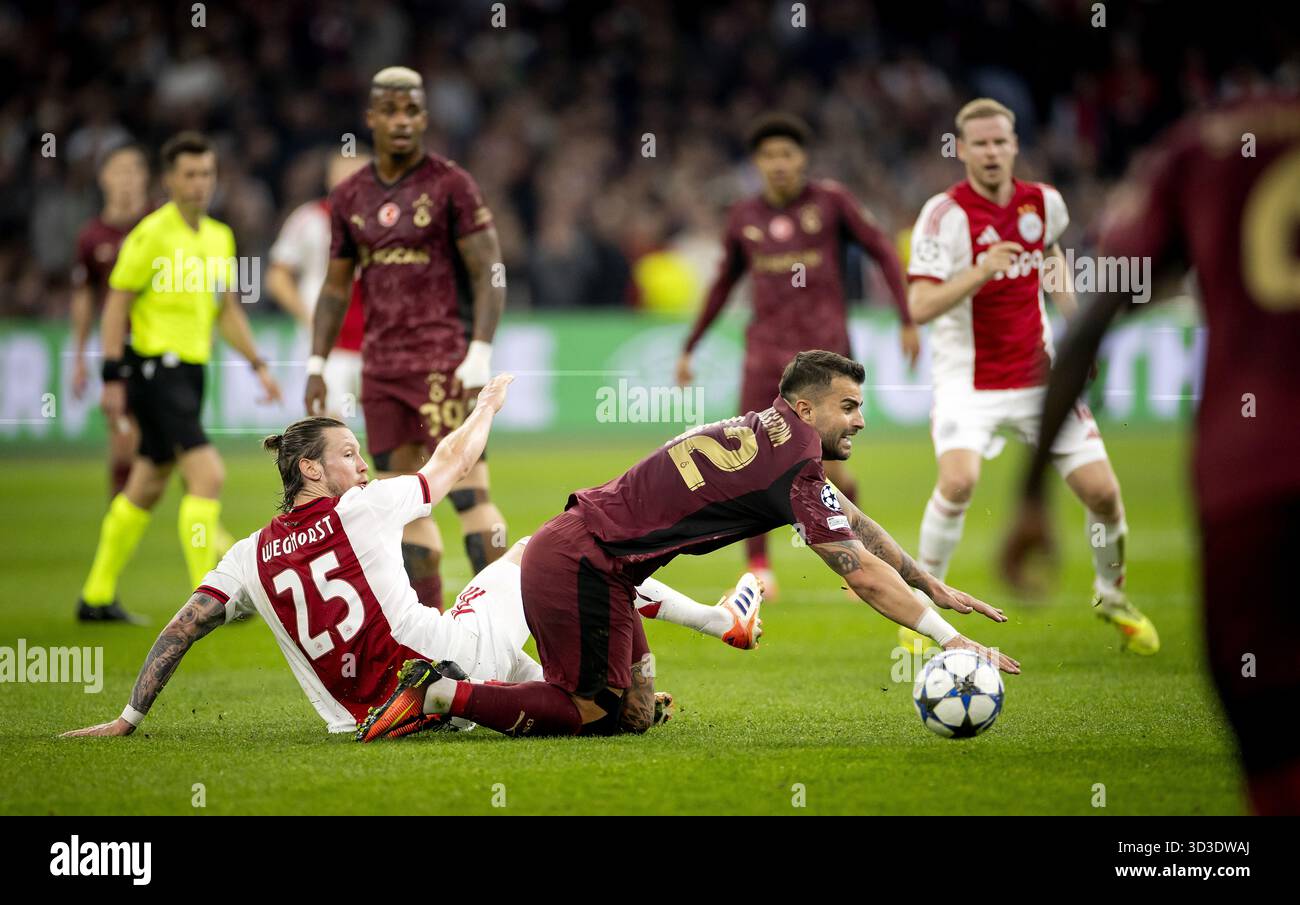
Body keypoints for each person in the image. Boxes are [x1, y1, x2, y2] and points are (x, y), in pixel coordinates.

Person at [358, 351, 1018, 743]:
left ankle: (568, 689)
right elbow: (863, 575)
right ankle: (442, 694)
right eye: (849, 406)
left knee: (636, 715)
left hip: (603, 565)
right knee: (590, 709)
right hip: (580, 562)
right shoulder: (796, 462)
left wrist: (927, 580)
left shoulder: (777, 436)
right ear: (809, 408)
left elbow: (850, 519)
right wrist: (948, 639)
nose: (861, 419)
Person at [61, 376, 763, 740]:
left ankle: (604, 702)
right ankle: (719, 619)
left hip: (359, 713)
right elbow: (449, 463)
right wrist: (486, 406)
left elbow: (184, 626)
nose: (363, 466)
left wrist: (129, 714)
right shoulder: (359, 508)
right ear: (310, 469)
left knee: (610, 708)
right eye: (349, 454)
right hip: (444, 658)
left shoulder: (245, 557)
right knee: (558, 549)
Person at [1000, 96, 1300, 815]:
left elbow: (1096, 317)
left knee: (1274, 756)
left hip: (1251, 482)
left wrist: (1031, 493)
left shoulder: (1201, 147)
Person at [904, 97, 1155, 654]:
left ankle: (1112, 596)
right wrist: (977, 272)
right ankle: (919, 612)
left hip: (1040, 379)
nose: (992, 152)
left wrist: (1071, 328)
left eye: (1001, 142)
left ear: (1015, 146)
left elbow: (1052, 258)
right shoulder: (943, 216)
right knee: (959, 482)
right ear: (961, 149)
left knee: (1104, 495)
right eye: (981, 144)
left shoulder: (1046, 204)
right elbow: (919, 305)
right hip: (967, 383)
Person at [676, 113, 919, 600]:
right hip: (765, 357)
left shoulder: (832, 203)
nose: (779, 164)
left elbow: (883, 251)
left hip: (826, 361)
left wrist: (906, 317)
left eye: (788, 154)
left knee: (833, 470)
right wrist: (690, 345)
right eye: (769, 155)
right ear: (757, 163)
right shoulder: (744, 215)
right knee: (750, 457)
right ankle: (760, 568)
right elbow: (724, 281)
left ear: (802, 159)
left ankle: (859, 560)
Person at [305, 66, 507, 613]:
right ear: (370, 118)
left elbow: (491, 270)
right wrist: (317, 362)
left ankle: (502, 621)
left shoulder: (450, 185)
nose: (401, 121)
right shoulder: (349, 196)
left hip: (443, 363)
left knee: (469, 494)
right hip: (382, 371)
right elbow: (333, 288)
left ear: (424, 117)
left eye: (411, 111)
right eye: (390, 111)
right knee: (406, 506)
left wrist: (479, 350)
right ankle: (437, 642)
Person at [77, 131, 282, 624]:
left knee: (147, 483)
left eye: (206, 173)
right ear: (169, 180)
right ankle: (207, 601)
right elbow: (115, 306)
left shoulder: (219, 236)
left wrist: (257, 363)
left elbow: (226, 311)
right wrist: (110, 376)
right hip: (152, 370)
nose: (198, 184)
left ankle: (96, 596)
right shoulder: (149, 234)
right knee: (208, 475)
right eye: (188, 174)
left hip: (190, 373)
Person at [69, 142, 150, 498]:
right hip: (119, 347)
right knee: (122, 437)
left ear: (146, 178)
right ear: (104, 178)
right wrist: (79, 356)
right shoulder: (92, 238)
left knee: (172, 442)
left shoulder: (159, 227)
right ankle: (120, 514)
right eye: (119, 171)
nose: (127, 180)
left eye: (134, 171)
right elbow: (85, 296)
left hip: (164, 344)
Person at [266, 149, 370, 418]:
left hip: (376, 340)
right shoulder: (309, 219)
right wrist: (307, 315)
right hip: (327, 342)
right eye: (344, 174)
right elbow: (276, 277)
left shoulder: (385, 224)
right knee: (327, 428)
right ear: (330, 179)